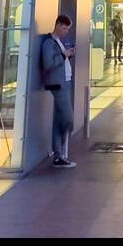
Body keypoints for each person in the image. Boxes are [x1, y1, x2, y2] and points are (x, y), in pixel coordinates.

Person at [39, 14, 76, 168]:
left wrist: (67, 55)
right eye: (66, 28)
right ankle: (59, 151)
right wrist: (64, 55)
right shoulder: (49, 43)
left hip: (64, 81)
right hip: (58, 84)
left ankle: (58, 156)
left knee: (59, 120)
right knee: (68, 120)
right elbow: (48, 63)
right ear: (59, 25)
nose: (67, 31)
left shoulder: (58, 42)